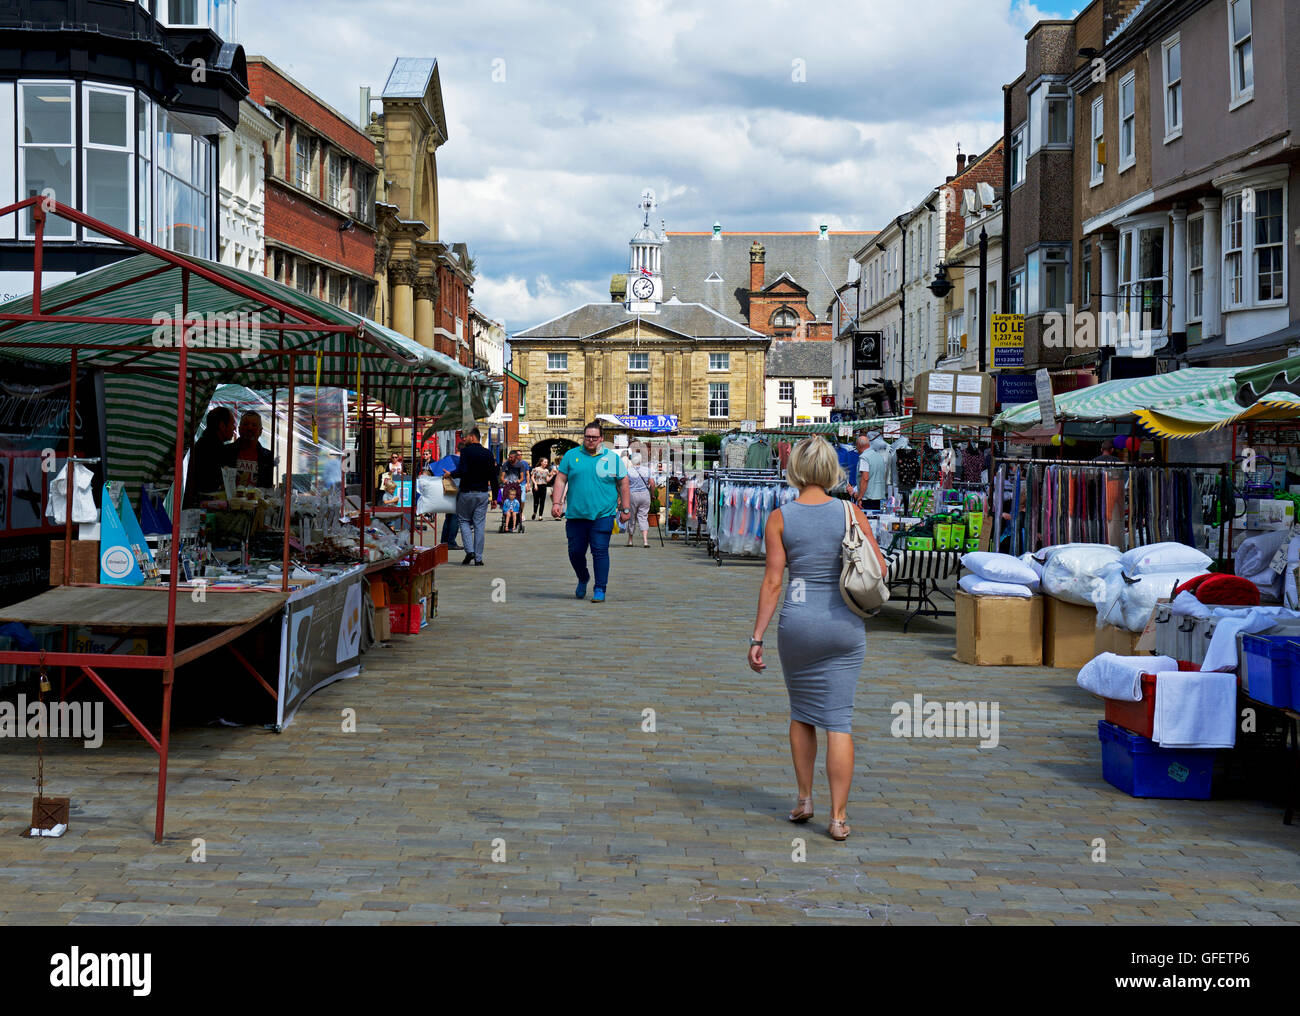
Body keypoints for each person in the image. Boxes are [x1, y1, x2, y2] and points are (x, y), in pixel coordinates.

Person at [747, 436, 886, 842]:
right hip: (843, 625)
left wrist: (756, 637)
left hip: (799, 624)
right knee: (839, 722)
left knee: (802, 714)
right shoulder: (850, 511)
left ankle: (805, 798)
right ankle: (839, 817)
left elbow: (774, 581)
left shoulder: (780, 516)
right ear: (831, 469)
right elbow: (875, 565)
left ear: (796, 470)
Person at [551, 421, 630, 602]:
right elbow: (561, 479)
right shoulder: (571, 456)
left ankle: (600, 588)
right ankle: (583, 577)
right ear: (584, 437)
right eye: (588, 437)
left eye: (595, 437)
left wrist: (625, 508)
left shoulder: (611, 458)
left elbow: (623, 482)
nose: (591, 440)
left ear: (601, 438)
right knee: (575, 552)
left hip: (603, 514)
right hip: (576, 515)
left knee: (600, 551)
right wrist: (557, 503)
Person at [449, 427, 499, 565]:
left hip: (467, 492)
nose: (464, 439)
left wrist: (451, 474)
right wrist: (495, 497)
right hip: (483, 494)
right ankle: (478, 558)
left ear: (472, 437)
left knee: (464, 520)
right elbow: (493, 477)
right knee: (479, 525)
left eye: (466, 437)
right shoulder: (488, 453)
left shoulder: (465, 452)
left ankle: (469, 551)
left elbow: (462, 471)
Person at [184, 406, 236, 507]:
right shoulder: (212, 448)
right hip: (203, 509)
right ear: (222, 426)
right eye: (232, 424)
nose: (234, 427)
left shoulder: (203, 443)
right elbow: (211, 484)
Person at [231, 411, 274, 488]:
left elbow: (268, 487)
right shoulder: (226, 451)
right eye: (245, 424)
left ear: (260, 431)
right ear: (239, 429)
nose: (249, 428)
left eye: (254, 425)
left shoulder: (267, 456)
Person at [625, 451, 655, 548]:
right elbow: (652, 483)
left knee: (632, 517)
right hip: (645, 495)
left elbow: (625, 484)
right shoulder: (647, 470)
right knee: (643, 517)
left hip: (633, 495)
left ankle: (630, 540)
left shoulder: (628, 471)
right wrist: (653, 494)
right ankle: (645, 541)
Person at [857, 433, 887, 511]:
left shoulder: (864, 458)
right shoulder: (878, 456)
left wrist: (860, 497)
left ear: (859, 445)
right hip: (880, 495)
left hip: (868, 497)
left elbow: (865, 478)